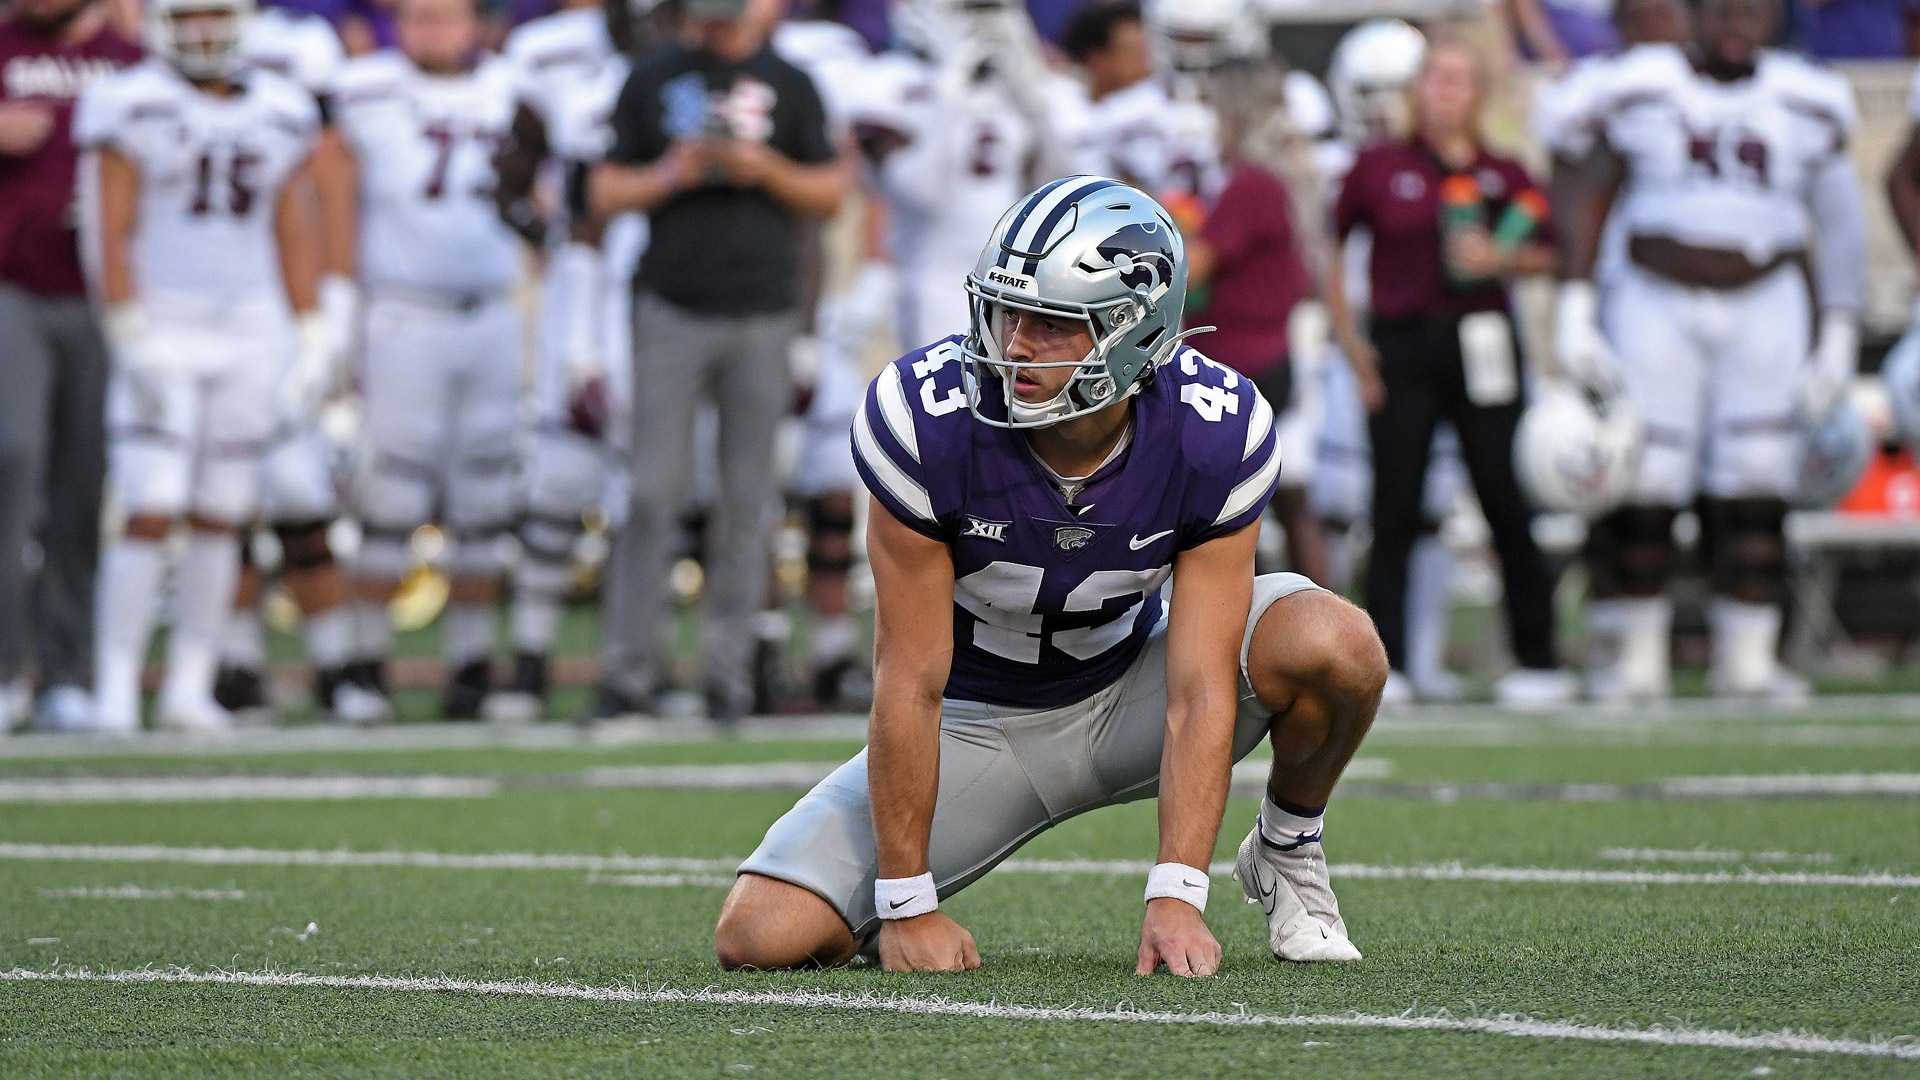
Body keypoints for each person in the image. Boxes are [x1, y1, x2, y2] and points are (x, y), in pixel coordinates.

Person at [712, 177, 1387, 974]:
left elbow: (1201, 686)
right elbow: (907, 681)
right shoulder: (928, 421)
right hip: (970, 723)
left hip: (1127, 688)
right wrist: (905, 902)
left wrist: (1177, 894)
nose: (1014, 343)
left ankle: (1287, 847)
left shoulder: (1214, 431)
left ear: (1133, 334)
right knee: (759, 935)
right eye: (1004, 310)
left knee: (1334, 641)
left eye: (1051, 323)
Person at [1548, 0, 1867, 702]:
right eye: (1721, 10)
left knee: (1757, 477)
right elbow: (1584, 190)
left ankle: (1747, 659)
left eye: (1751, 12)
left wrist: (1839, 326)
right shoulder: (1639, 84)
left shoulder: (1807, 97)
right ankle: (1633, 658)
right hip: (1655, 296)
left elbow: (1841, 223)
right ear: (1689, 15)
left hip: (1768, 301)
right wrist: (1573, 304)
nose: (1736, 25)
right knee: (1647, 478)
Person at [587, 0, 849, 723]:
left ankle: (728, 675)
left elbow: (830, 191)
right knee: (650, 494)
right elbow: (605, 189)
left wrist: (760, 167)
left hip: (763, 306)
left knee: (748, 500)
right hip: (671, 302)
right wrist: (677, 171)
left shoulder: (790, 81)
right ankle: (628, 672)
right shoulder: (652, 75)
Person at [78, 0, 328, 733]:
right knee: (150, 503)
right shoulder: (130, 102)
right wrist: (126, 326)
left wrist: (311, 328)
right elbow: (107, 226)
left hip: (251, 323)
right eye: (187, 18)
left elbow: (293, 220)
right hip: (165, 321)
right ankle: (116, 685)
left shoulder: (283, 108)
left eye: (214, 16)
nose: (204, 33)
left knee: (223, 511)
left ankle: (190, 682)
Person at [1327, 34, 1575, 708]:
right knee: (1396, 503)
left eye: (1459, 79)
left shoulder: (1505, 170)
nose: (1444, 90)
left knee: (1504, 494)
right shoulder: (1379, 165)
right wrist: (1351, 344)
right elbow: (1332, 247)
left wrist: (1503, 258)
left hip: (1483, 339)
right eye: (1434, 77)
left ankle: (1538, 658)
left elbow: (1551, 251)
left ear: (1479, 93)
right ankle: (1385, 664)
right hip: (1402, 343)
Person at [332, 0, 533, 720]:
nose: (433, 31)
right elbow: (326, 186)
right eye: (417, 17)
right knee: (390, 495)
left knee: (483, 497)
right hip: (402, 311)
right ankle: (364, 667)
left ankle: (473, 668)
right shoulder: (360, 88)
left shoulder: (515, 87)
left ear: (477, 23)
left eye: (447, 16)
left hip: (490, 309)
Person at [213, 0, 374, 724]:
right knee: (224, 504)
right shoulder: (148, 96)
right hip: (200, 308)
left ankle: (335, 667)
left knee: (302, 494)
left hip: (279, 310)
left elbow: (329, 175)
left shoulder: (301, 51)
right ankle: (236, 666)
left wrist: (331, 310)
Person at [488, 0, 647, 722]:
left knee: (640, 496)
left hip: (663, 293)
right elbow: (531, 189)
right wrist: (580, 340)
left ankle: (624, 666)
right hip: (589, 291)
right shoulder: (580, 83)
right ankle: (529, 660)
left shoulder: (688, 80)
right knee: (558, 481)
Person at [0, 0, 140, 733]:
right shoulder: (3, 47)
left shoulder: (131, 62)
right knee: (12, 460)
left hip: (104, 298)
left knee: (85, 486)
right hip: (13, 286)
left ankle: (66, 670)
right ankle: (4, 667)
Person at [1181, 59, 1330, 586]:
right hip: (1271, 354)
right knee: (1286, 497)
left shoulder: (1252, 184)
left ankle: (1247, 620)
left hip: (1243, 362)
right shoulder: (1279, 178)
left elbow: (1193, 265)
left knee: (1223, 508)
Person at [1060, 0, 1221, 204]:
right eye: (1133, 53)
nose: (1145, 65)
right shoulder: (1060, 101)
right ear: (1096, 59)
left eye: (1145, 52)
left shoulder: (1171, 111)